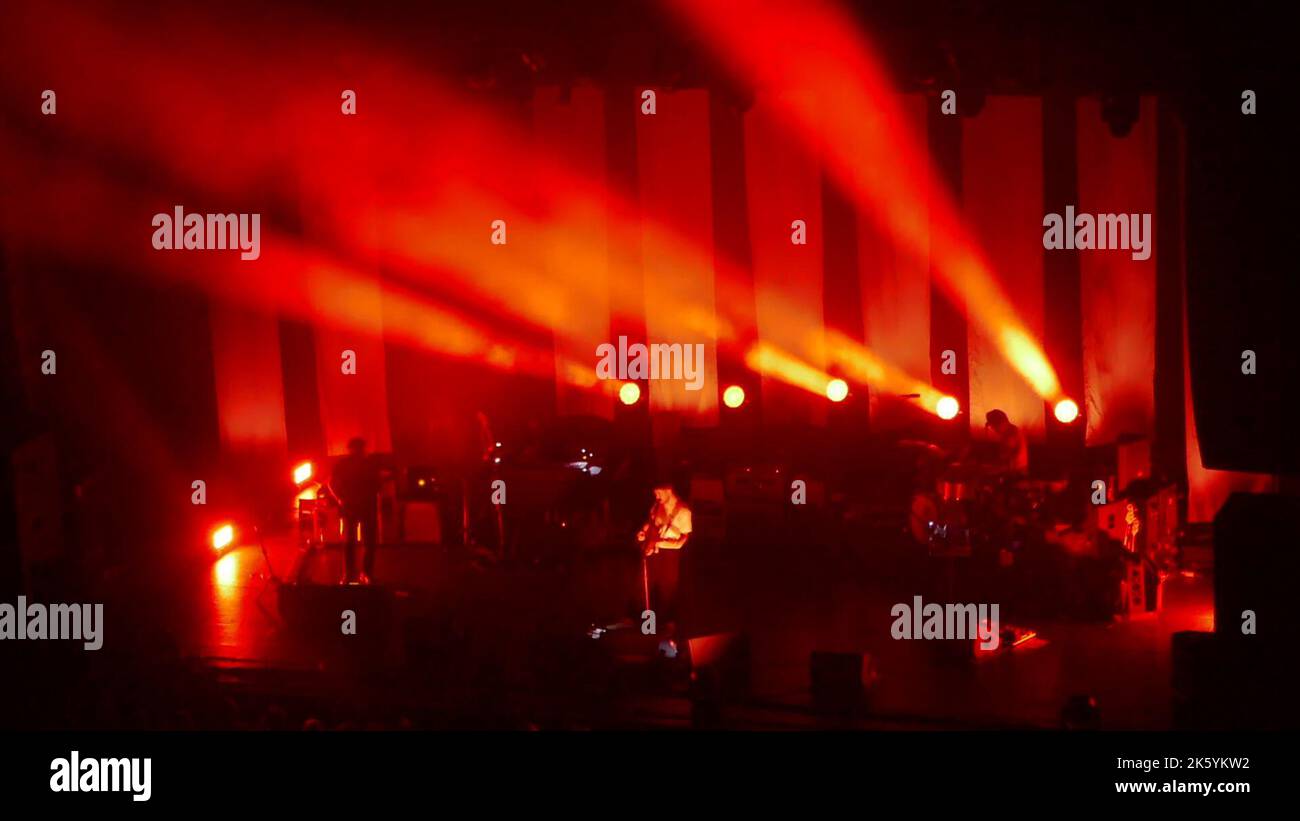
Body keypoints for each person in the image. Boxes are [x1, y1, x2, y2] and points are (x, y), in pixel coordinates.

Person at [636, 478, 693, 636]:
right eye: (655, 493)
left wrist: (660, 543)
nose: (656, 496)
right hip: (654, 553)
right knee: (647, 587)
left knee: (668, 590)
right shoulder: (657, 507)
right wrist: (643, 531)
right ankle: (649, 625)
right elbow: (650, 523)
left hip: (670, 555)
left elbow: (683, 540)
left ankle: (669, 623)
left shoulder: (683, 511)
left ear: (669, 490)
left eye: (659, 492)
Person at [328, 437, 384, 585]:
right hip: (352, 507)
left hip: (363, 507)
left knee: (366, 542)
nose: (359, 451)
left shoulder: (369, 464)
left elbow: (378, 485)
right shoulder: (345, 464)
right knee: (351, 542)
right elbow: (331, 483)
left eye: (360, 448)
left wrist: (340, 498)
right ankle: (352, 573)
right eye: (357, 448)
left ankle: (363, 573)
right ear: (352, 449)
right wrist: (339, 498)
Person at [984, 409, 1029, 477]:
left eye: (994, 427)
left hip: (1016, 475)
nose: (994, 429)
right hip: (1016, 472)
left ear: (1001, 423)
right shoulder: (1011, 431)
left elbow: (1007, 463)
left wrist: (991, 470)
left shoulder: (1011, 435)